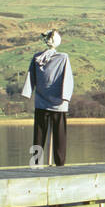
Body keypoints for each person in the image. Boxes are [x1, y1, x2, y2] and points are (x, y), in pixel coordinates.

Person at [21, 29, 73, 166]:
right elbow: (31, 75)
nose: (47, 40)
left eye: (49, 38)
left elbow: (67, 78)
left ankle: (56, 163)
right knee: (44, 135)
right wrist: (66, 97)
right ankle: (40, 163)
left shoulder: (62, 58)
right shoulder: (37, 58)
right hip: (48, 101)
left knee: (52, 135)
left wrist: (65, 96)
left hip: (55, 102)